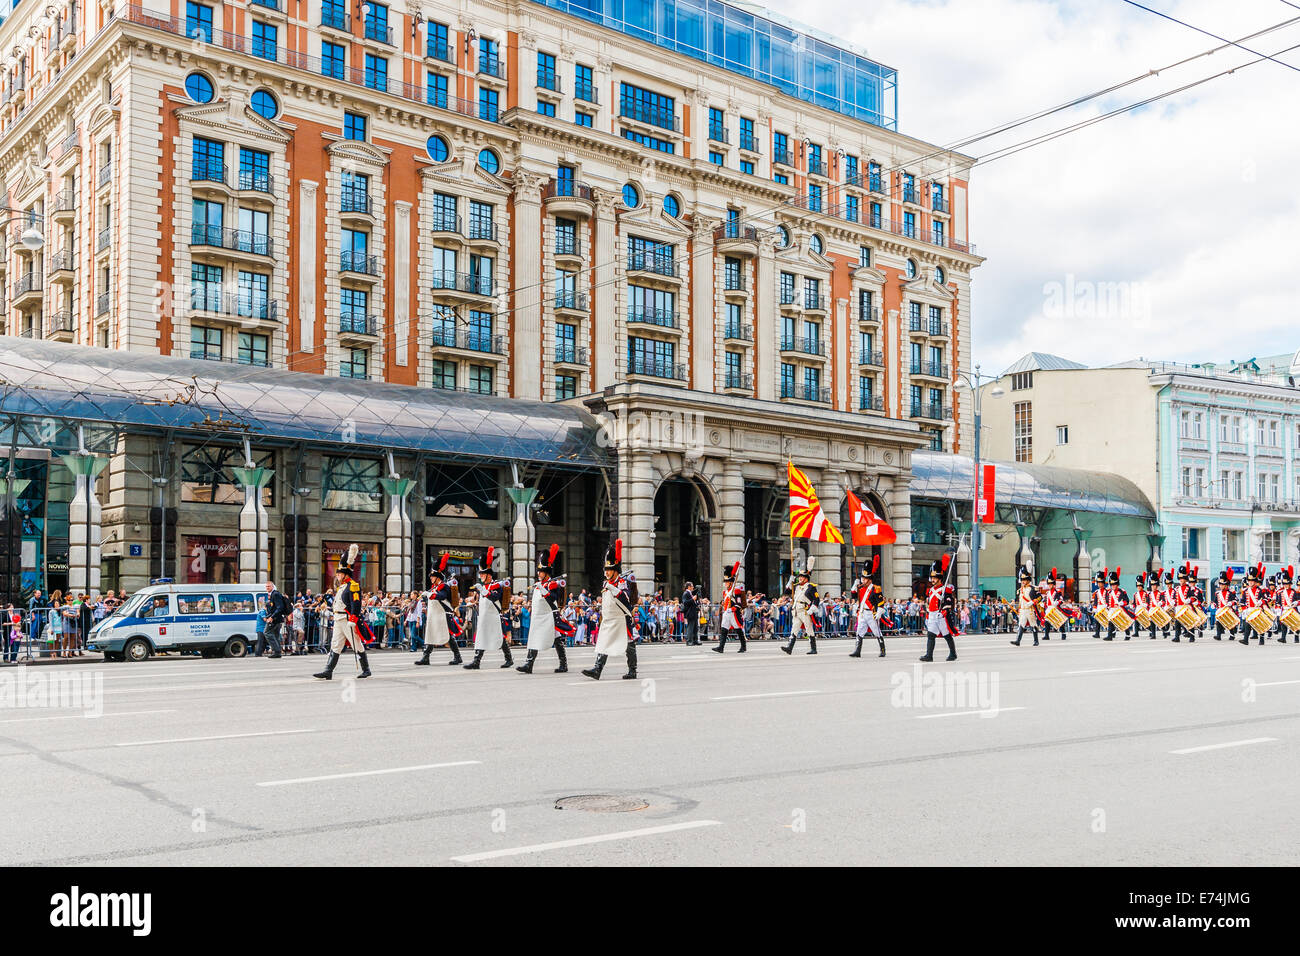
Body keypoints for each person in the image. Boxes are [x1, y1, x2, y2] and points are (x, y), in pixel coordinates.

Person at [314, 544, 372, 680]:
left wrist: (353, 619)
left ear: (346, 573)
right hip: (338, 619)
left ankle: (366, 669)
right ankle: (328, 671)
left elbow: (356, 604)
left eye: (339, 573)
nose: (337, 575)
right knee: (336, 644)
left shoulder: (353, 586)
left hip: (347, 619)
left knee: (356, 643)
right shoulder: (342, 586)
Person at [582, 539, 638, 680]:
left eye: (609, 569)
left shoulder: (622, 583)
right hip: (609, 619)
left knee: (629, 644)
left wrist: (613, 588)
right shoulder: (606, 583)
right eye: (605, 569)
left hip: (621, 619)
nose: (606, 572)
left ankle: (633, 670)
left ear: (615, 570)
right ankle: (597, 669)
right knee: (603, 643)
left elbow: (626, 599)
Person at [518, 544, 573, 674]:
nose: (538, 573)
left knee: (557, 639)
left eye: (540, 571)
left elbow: (552, 598)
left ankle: (563, 664)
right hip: (538, 617)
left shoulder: (552, 584)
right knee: (534, 639)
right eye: (538, 571)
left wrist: (543, 589)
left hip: (549, 616)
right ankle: (529, 664)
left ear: (546, 572)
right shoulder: (540, 584)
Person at [464, 547, 513, 670]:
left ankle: (509, 659)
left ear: (488, 575)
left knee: (498, 638)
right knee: (481, 637)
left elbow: (493, 597)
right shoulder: (485, 586)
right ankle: (476, 661)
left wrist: (483, 590)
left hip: (493, 615)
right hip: (484, 616)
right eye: (480, 574)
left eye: (482, 574)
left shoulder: (496, 585)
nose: (480, 576)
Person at [416, 554, 464, 665]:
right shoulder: (435, 587)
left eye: (433, 576)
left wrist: (429, 594)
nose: (431, 578)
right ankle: (426, 657)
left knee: (448, 636)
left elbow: (441, 596)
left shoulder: (444, 586)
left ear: (438, 577)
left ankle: (457, 657)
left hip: (443, 615)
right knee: (431, 634)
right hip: (435, 616)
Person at [920, 555, 958, 662]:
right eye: (932, 577)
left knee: (946, 635)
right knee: (930, 635)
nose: (932, 579)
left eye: (935, 577)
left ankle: (953, 653)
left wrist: (944, 610)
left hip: (941, 615)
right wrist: (928, 614)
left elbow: (949, 602)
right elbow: (930, 603)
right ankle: (929, 655)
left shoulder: (946, 589)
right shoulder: (931, 590)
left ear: (939, 578)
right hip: (932, 615)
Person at [849, 555, 886, 658]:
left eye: (865, 579)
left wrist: (879, 612)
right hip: (862, 612)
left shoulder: (875, 588)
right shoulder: (860, 588)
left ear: (870, 580)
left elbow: (880, 602)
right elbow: (853, 596)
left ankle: (882, 650)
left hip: (871, 613)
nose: (863, 580)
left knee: (876, 632)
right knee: (859, 632)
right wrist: (854, 585)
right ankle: (857, 651)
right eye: (862, 578)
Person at [781, 559, 820, 655]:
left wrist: (812, 609)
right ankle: (789, 647)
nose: (800, 579)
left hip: (805, 610)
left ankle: (813, 648)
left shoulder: (810, 586)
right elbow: (786, 592)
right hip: (796, 610)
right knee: (794, 629)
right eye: (799, 577)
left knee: (809, 629)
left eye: (802, 577)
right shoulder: (797, 586)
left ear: (806, 578)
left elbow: (816, 599)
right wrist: (791, 580)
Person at [712, 562, 746, 654]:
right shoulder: (725, 592)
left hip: (733, 613)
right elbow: (726, 602)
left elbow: (739, 603)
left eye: (727, 582)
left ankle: (743, 646)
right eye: (725, 582)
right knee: (724, 630)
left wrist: (732, 608)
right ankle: (721, 647)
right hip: (726, 612)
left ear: (731, 582)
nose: (725, 584)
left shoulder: (736, 590)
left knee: (738, 630)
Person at [256, 581, 290, 658]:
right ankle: (277, 652)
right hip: (276, 618)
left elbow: (279, 607)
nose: (267, 588)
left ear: (272, 587)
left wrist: (272, 617)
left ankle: (277, 650)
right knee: (275, 634)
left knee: (267, 632)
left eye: (269, 586)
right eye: (266, 586)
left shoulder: (275, 594)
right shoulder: (273, 594)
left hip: (275, 619)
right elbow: (274, 608)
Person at [1010, 565, 1039, 647]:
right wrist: (1019, 610)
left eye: (1024, 580)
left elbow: (1040, 598)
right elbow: (1020, 601)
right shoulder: (1020, 590)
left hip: (1030, 609)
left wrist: (1032, 602)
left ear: (1028, 580)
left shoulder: (1033, 588)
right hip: (1023, 610)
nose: (1023, 581)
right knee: (1021, 625)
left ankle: (1036, 641)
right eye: (1022, 580)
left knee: (1033, 625)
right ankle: (1018, 641)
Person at [1212, 569, 1238, 642]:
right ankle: (1218, 635)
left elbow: (1236, 600)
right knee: (1218, 622)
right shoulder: (1217, 593)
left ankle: (1232, 634)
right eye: (1220, 584)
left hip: (1228, 610)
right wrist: (1213, 605)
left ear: (1226, 585)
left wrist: (1231, 603)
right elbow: (1215, 601)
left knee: (1229, 623)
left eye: (1222, 584)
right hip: (1220, 610)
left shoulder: (1231, 593)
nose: (1221, 586)